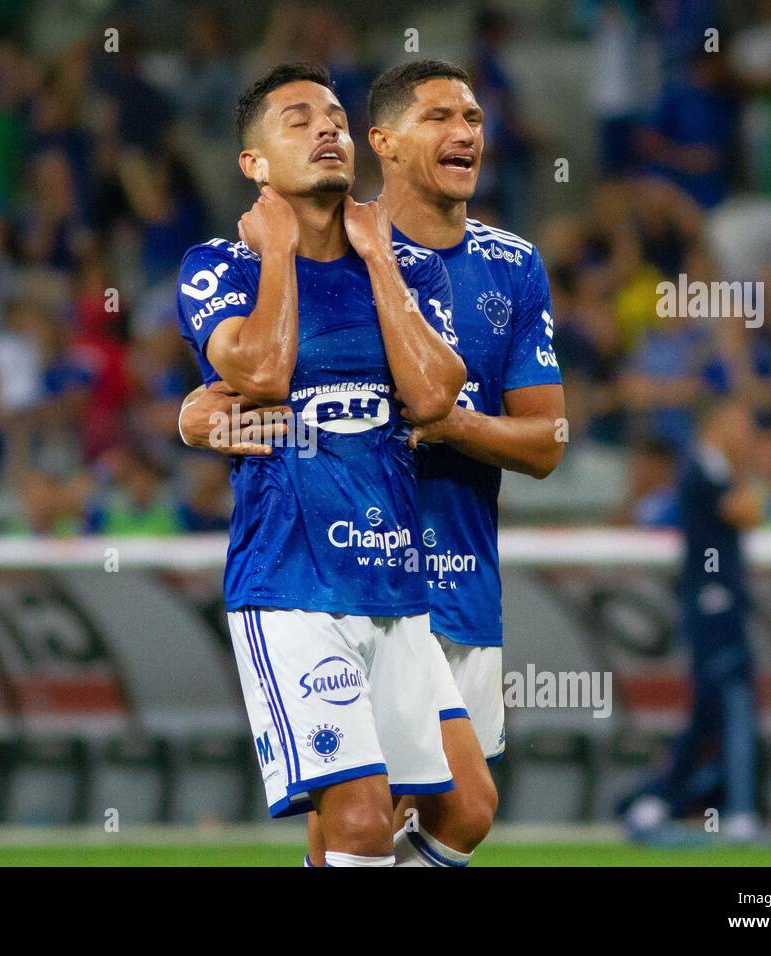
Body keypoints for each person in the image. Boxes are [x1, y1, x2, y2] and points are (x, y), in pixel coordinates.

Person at [181, 60, 567, 867]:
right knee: (358, 823)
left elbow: (434, 397)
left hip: (406, 584)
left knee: (460, 807)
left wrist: (381, 258)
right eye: (298, 120)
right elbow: (256, 374)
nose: (327, 128)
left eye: (333, 117)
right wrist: (280, 258)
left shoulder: (418, 268)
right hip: (295, 582)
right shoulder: (223, 264)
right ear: (252, 165)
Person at [626, 400, 765, 841]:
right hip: (712, 604)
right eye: (741, 425)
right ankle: (741, 810)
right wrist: (751, 477)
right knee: (734, 701)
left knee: (708, 709)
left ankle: (655, 801)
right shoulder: (705, 472)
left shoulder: (708, 470)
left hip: (715, 603)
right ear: (720, 423)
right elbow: (749, 511)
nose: (748, 437)